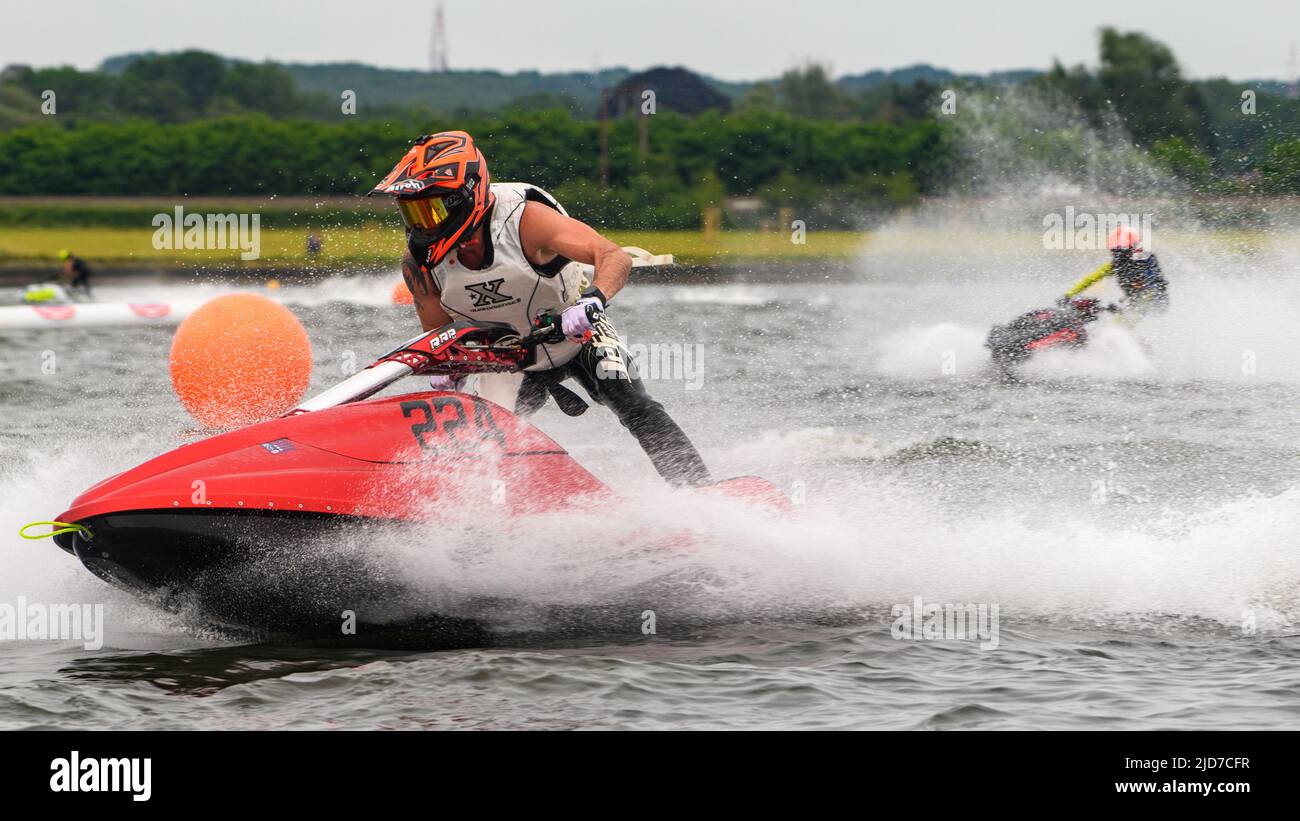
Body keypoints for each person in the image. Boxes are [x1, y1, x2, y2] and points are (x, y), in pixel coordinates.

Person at [369, 130, 711, 486]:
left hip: (577, 333)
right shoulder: (418, 265)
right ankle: (476, 512)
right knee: (481, 438)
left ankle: (699, 492)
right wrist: (449, 369)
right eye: (413, 213)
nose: (423, 226)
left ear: (466, 196)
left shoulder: (526, 220)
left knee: (632, 402)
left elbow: (613, 256)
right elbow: (441, 336)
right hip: (509, 356)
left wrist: (592, 302)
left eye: (432, 209)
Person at [1059, 226, 1168, 314]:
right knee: (1089, 308)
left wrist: (1129, 307)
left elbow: (1154, 288)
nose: (1118, 254)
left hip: (1154, 303)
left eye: (1120, 250)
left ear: (1132, 248)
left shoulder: (1147, 261)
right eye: (1115, 250)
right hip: (1132, 302)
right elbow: (1091, 279)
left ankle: (1121, 336)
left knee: (1124, 321)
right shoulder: (1116, 265)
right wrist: (1069, 295)